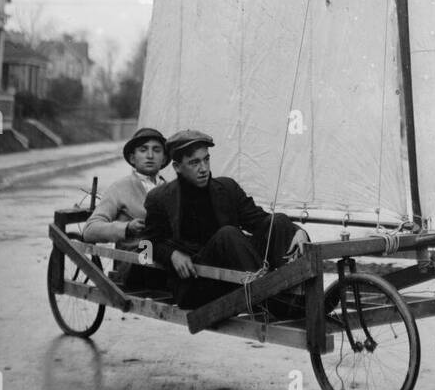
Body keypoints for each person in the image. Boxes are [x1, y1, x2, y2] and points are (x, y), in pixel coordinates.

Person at [142, 129, 309, 311]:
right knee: (228, 234)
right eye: (194, 163)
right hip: (198, 283)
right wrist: (171, 254)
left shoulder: (227, 188)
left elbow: (262, 221)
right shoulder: (159, 198)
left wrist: (297, 230)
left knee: (278, 220)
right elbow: (145, 245)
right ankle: (273, 301)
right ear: (177, 167)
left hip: (236, 273)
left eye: (206, 159)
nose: (204, 168)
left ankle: (299, 295)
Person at [82, 127, 168, 288]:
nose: (150, 155)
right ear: (132, 158)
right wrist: (127, 228)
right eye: (143, 150)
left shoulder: (170, 188)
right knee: (152, 247)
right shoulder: (120, 188)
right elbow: (90, 230)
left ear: (164, 159)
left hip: (165, 257)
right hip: (133, 263)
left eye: (156, 150)